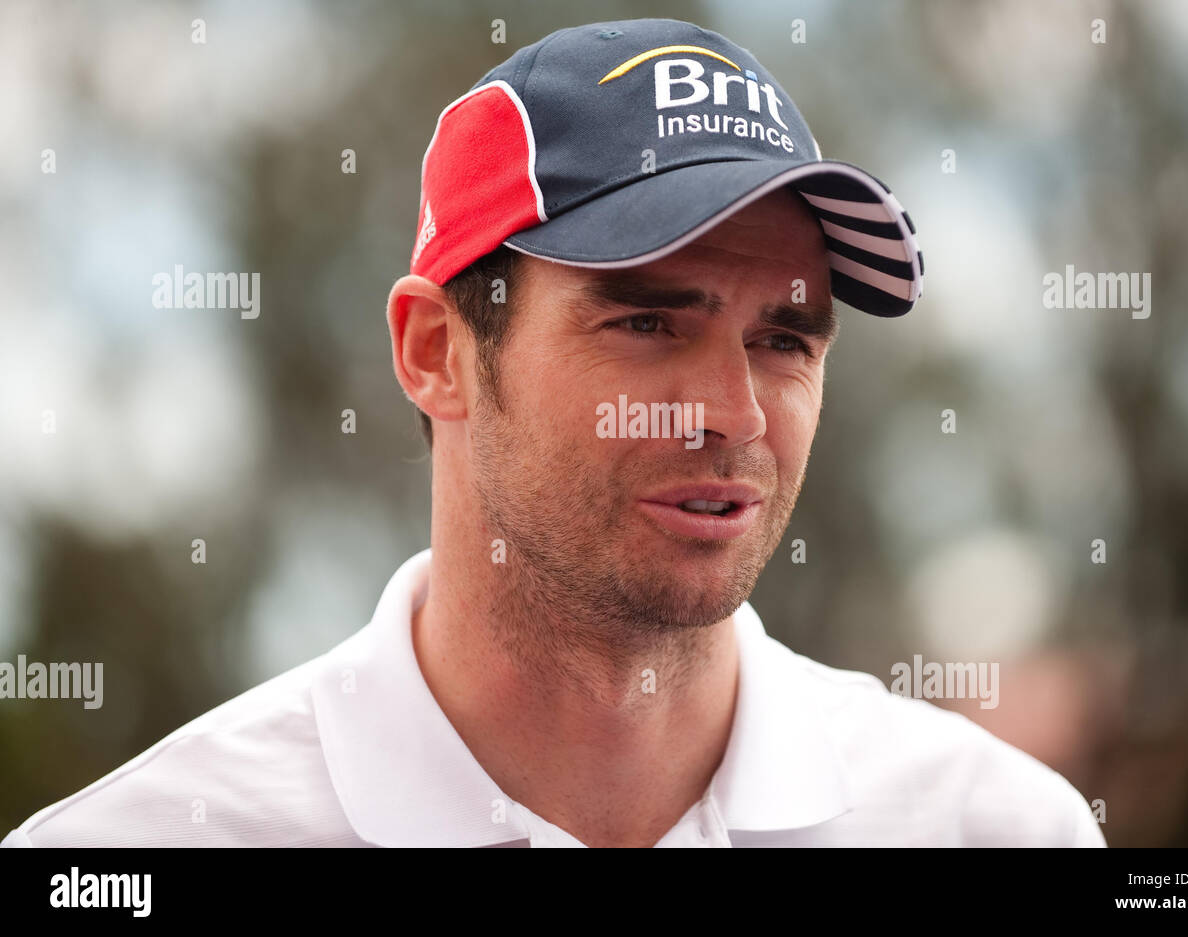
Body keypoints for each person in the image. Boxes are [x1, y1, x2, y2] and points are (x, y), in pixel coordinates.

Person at [3, 17, 1103, 848]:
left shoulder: (996, 828)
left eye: (785, 338)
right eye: (644, 321)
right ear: (435, 351)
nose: (733, 413)